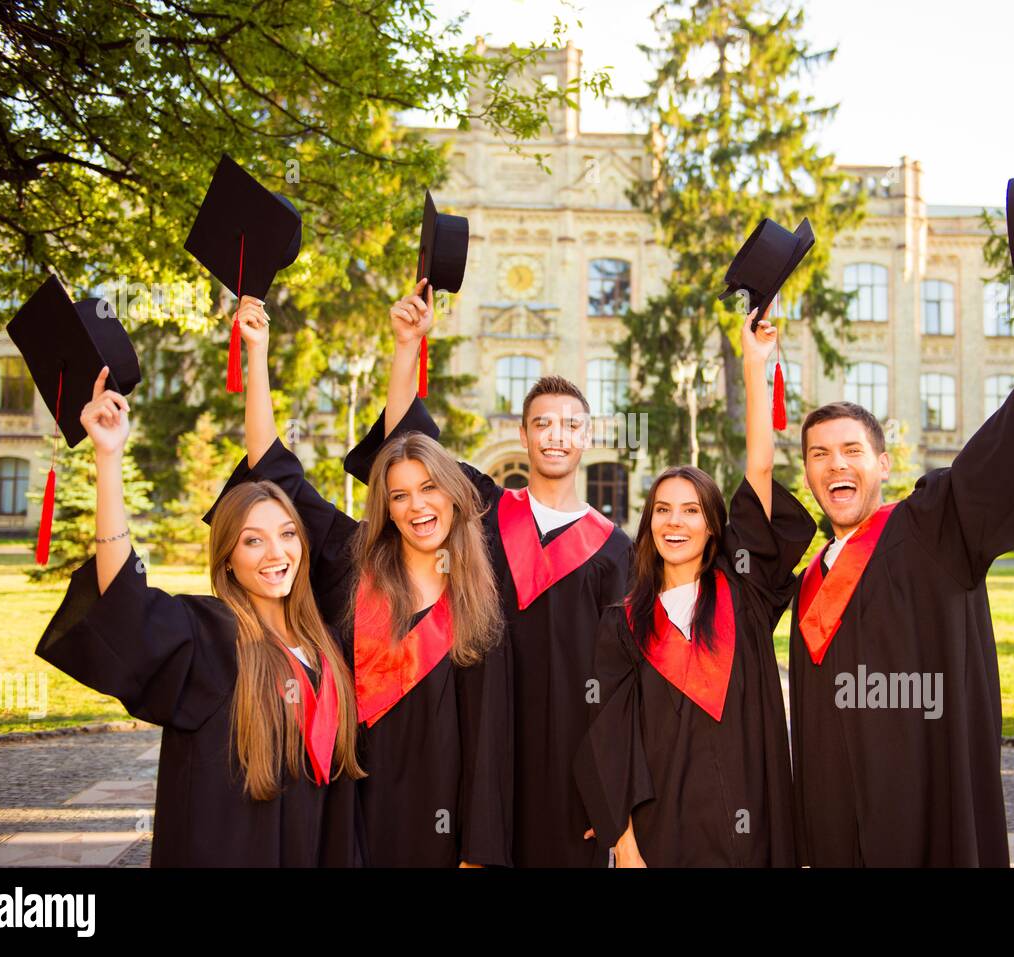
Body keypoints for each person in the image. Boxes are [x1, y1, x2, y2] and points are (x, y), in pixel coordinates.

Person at [787, 245, 1014, 866]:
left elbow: (1002, 452)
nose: (836, 464)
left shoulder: (931, 529)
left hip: (922, 808)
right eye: (819, 454)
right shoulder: (812, 579)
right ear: (808, 471)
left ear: (882, 463)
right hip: (835, 818)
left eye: (851, 450)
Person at [205, 298, 511, 867]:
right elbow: (274, 469)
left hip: (443, 825)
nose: (417, 506)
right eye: (399, 495)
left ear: (454, 495)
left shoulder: (479, 600)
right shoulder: (353, 565)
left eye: (429, 489)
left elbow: (489, 745)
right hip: (347, 807)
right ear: (385, 507)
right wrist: (258, 353)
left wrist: (478, 852)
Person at [344, 279, 634, 867]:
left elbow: (622, 682)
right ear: (524, 435)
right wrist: (407, 347)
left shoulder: (614, 550)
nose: (557, 436)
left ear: (588, 437)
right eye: (543, 424)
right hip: (479, 744)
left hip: (565, 765)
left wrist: (609, 794)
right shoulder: (487, 508)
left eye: (571, 425)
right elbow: (409, 443)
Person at [36, 367, 364, 867]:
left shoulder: (326, 644)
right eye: (252, 540)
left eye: (288, 534)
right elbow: (127, 606)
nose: (276, 553)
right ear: (227, 558)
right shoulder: (208, 636)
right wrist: (109, 460)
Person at [573, 311, 812, 866]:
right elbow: (609, 738)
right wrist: (626, 848)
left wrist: (757, 368)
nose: (674, 523)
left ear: (713, 526)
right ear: (649, 523)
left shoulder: (742, 594)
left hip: (755, 830)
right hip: (665, 837)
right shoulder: (625, 625)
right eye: (662, 510)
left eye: (691, 511)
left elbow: (757, 474)